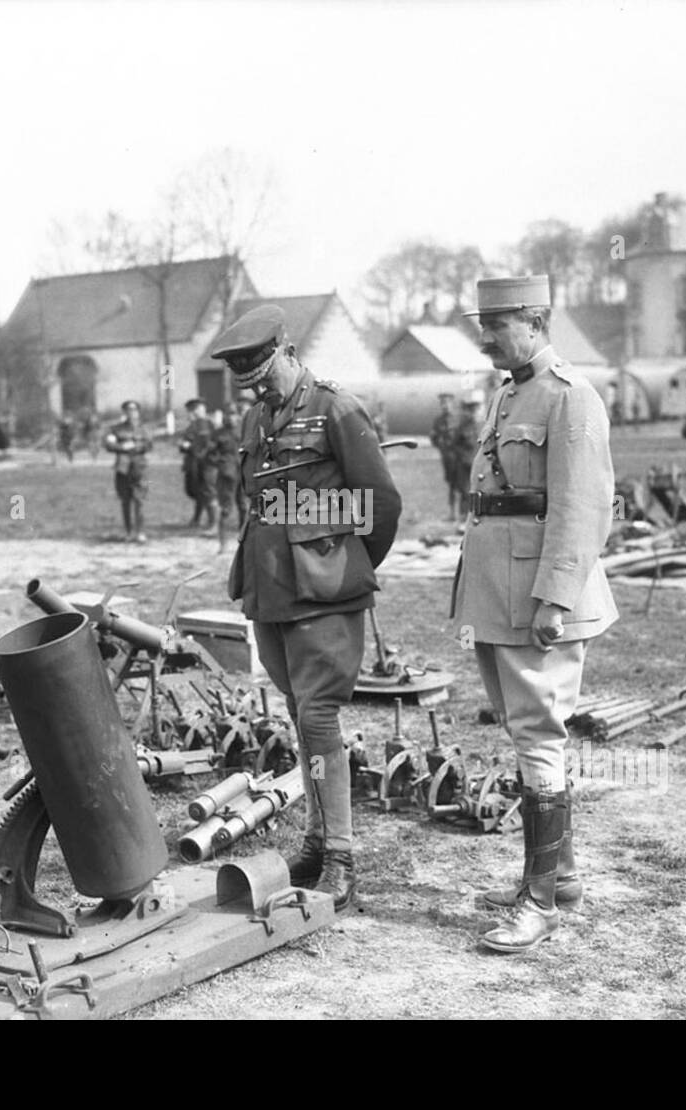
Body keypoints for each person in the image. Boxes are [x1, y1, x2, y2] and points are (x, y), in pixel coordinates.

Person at [211, 304, 402, 911]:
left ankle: (341, 856)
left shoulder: (336, 407)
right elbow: (257, 505)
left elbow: (381, 503)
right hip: (270, 590)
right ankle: (318, 842)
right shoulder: (255, 418)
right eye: (250, 384)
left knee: (319, 717)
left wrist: (341, 562)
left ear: (286, 352)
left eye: (265, 377)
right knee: (301, 718)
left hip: (324, 591)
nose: (259, 390)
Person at [450, 276, 618, 953]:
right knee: (528, 733)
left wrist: (555, 596)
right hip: (498, 590)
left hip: (537, 596)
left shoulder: (571, 397)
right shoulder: (512, 391)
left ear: (537, 319)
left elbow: (583, 509)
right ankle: (563, 875)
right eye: (482, 323)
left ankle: (540, 901)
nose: (484, 336)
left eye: (497, 324)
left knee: (539, 738)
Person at [104, 400, 152, 543]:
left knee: (140, 500)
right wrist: (122, 447)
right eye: (128, 410)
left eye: (134, 410)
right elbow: (108, 444)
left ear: (138, 412)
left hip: (140, 467)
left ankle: (140, 532)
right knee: (125, 500)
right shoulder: (116, 429)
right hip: (122, 468)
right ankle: (128, 531)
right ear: (124, 412)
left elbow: (149, 445)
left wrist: (135, 447)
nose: (131, 413)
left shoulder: (144, 429)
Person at [210, 406, 247, 552]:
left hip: (242, 473)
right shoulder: (218, 433)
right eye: (228, 414)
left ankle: (243, 542)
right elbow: (210, 454)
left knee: (244, 507)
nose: (230, 417)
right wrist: (221, 464)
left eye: (233, 414)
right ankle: (223, 544)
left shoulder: (243, 431)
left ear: (237, 416)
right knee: (226, 509)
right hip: (227, 476)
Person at [178, 398, 217, 530]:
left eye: (196, 409)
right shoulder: (192, 425)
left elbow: (212, 443)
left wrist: (190, 446)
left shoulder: (209, 424)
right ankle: (197, 519)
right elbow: (186, 443)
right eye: (191, 410)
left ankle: (213, 523)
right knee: (196, 491)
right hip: (193, 463)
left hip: (207, 463)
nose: (193, 412)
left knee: (207, 491)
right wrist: (184, 445)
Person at [450, 391, 485, 530]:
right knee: (465, 492)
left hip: (481, 465)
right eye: (470, 409)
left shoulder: (484, 425)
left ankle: (479, 520)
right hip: (465, 465)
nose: (472, 412)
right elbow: (455, 444)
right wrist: (463, 457)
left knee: (482, 492)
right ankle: (463, 520)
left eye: (475, 409)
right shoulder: (462, 427)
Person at [429, 393, 459, 520]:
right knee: (451, 485)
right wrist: (441, 447)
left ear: (452, 404)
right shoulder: (438, 421)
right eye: (443, 403)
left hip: (460, 458)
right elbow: (433, 437)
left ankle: (464, 515)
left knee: (463, 486)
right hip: (447, 458)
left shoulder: (458, 419)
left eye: (447, 403)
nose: (445, 406)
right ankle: (452, 513)